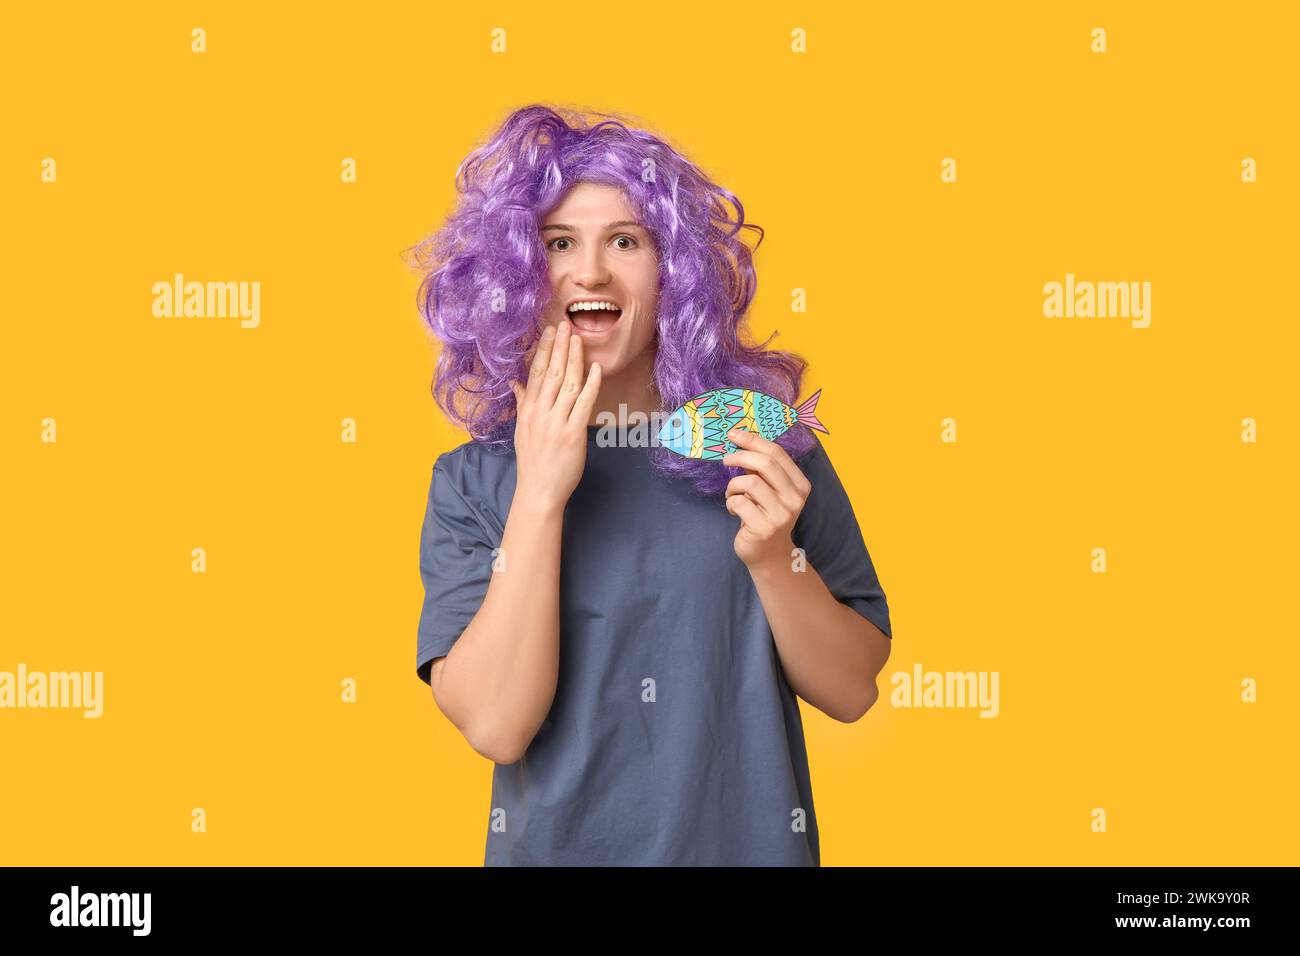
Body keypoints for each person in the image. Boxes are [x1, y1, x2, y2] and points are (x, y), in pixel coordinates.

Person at [405, 105, 892, 866]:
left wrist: (773, 560)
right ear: (516, 275)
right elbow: (498, 725)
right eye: (559, 242)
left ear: (674, 275)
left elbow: (853, 689)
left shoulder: (761, 449)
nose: (591, 270)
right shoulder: (472, 484)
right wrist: (540, 494)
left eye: (624, 241)